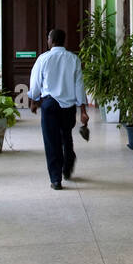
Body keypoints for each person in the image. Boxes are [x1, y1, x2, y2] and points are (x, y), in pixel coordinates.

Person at [28, 28, 89, 189]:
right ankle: (67, 166)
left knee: (51, 141)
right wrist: (83, 110)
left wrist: (34, 100)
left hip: (49, 105)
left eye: (48, 38)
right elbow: (79, 85)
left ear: (51, 40)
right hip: (68, 107)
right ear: (64, 40)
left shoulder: (43, 58)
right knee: (66, 136)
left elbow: (35, 83)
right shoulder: (73, 59)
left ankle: (56, 179)